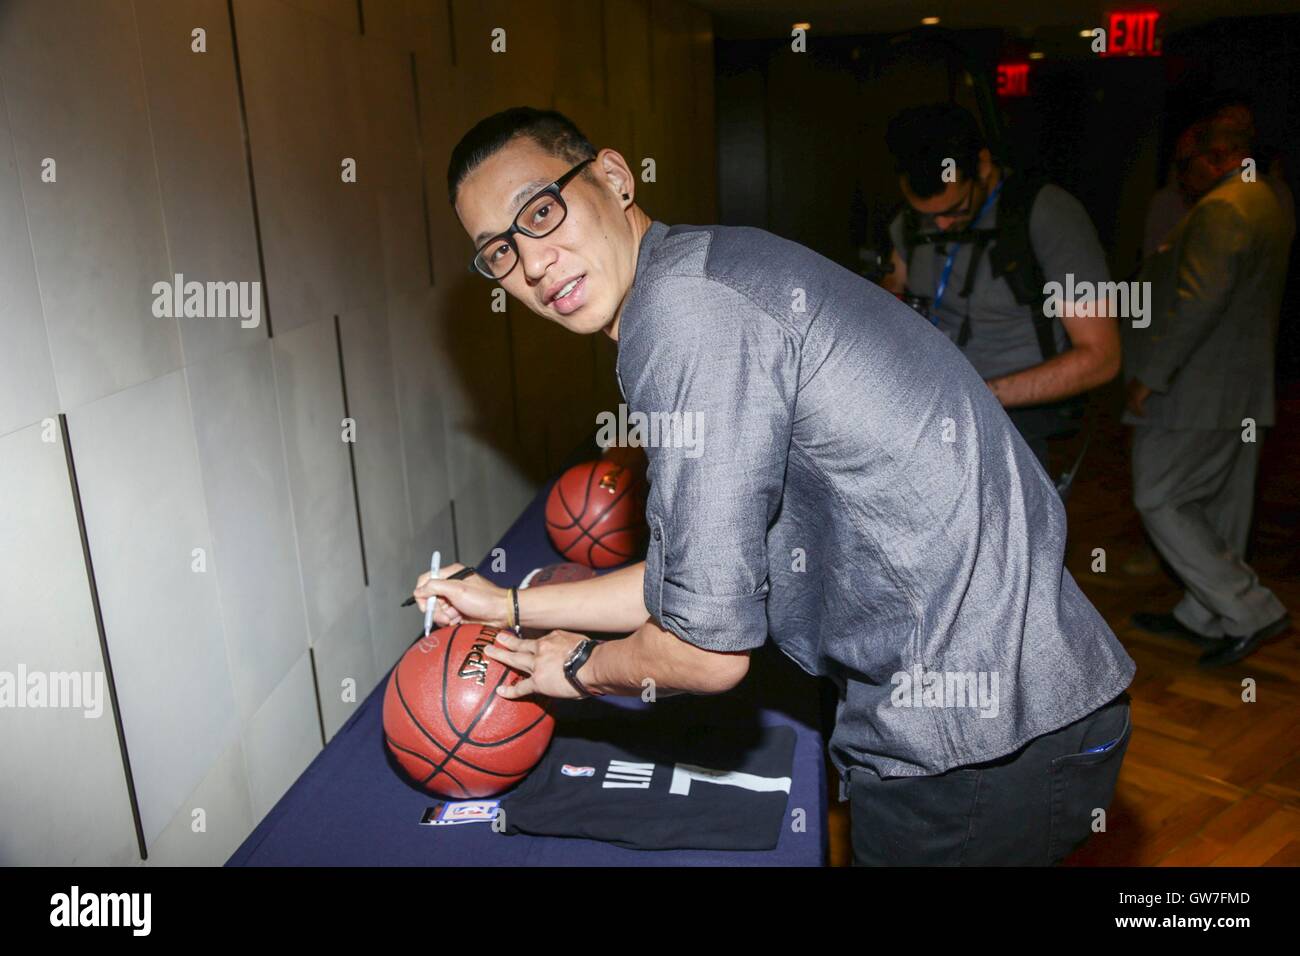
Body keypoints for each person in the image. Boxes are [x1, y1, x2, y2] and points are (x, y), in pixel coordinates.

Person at [415, 106, 1135, 865]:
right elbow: (689, 588)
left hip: (977, 748)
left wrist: (578, 668)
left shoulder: (686, 317)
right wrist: (511, 605)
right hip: (1036, 710)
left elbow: (702, 648)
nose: (531, 264)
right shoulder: (700, 272)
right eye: (497, 250)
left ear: (615, 179)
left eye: (540, 210)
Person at [1125, 105, 1293, 666]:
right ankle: (1204, 613)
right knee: (1221, 506)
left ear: (1220, 156)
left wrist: (1151, 376)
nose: (1180, 178)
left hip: (1199, 388)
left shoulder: (1222, 209)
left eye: (1186, 163)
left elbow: (1199, 303)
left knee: (1159, 494)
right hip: (1244, 388)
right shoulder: (1269, 202)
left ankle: (1250, 609)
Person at [881, 103, 1121, 475]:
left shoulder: (1048, 214)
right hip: (930, 413)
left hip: (1016, 422)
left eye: (956, 208)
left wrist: (979, 397)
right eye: (929, 215)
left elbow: (1101, 356)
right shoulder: (911, 221)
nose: (942, 224)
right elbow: (893, 293)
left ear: (983, 165)